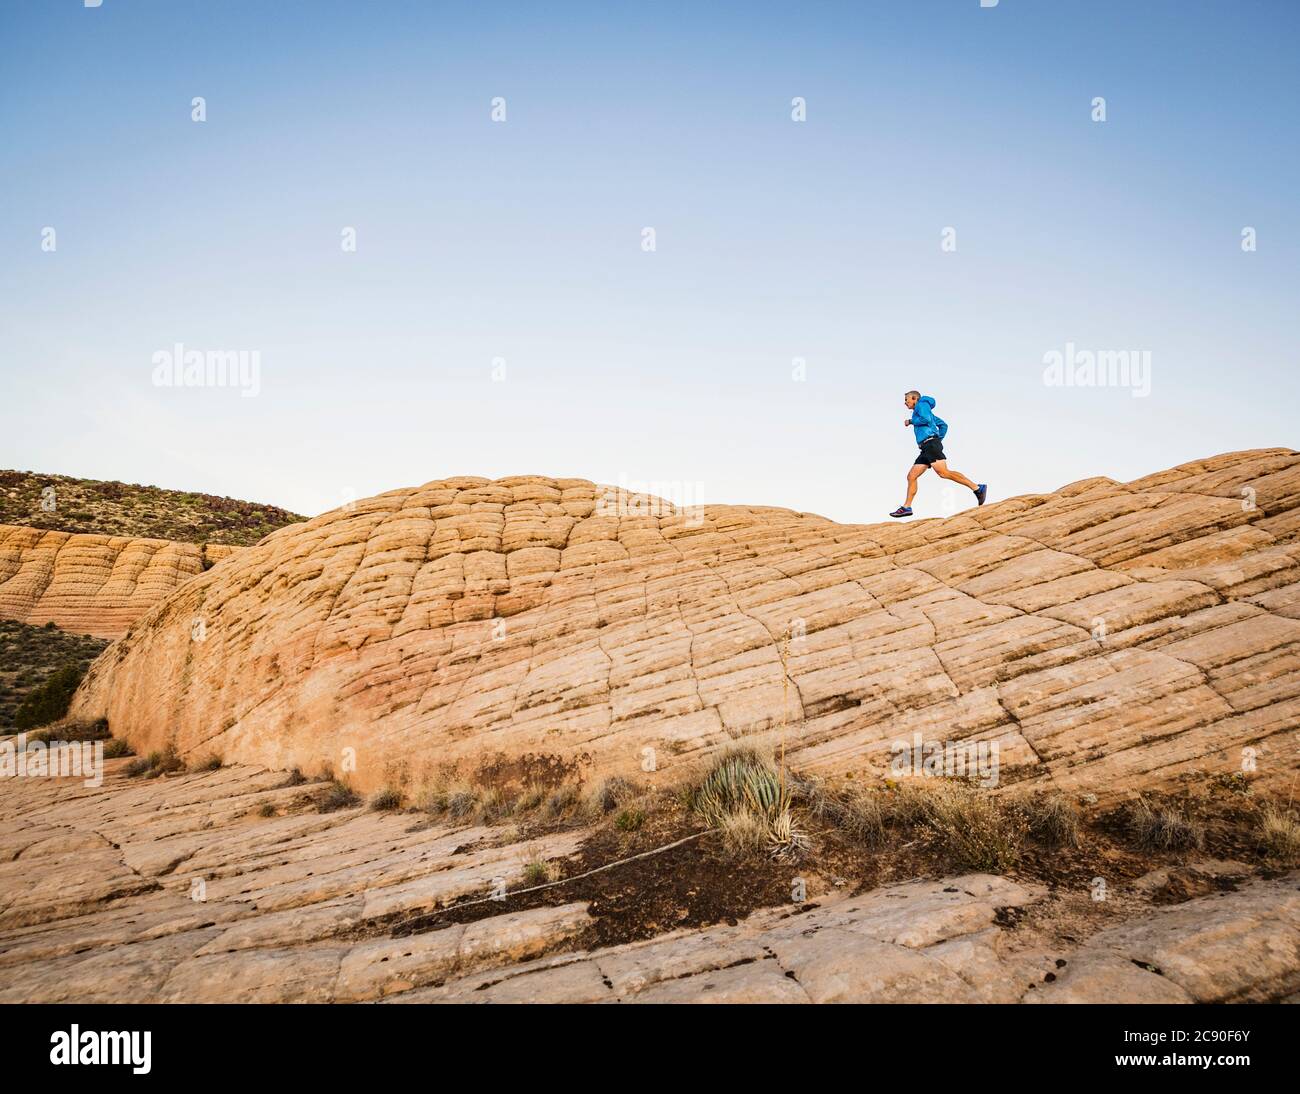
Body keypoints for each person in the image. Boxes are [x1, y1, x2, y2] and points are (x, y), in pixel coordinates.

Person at [890, 391, 987, 518]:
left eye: (907, 399)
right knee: (911, 476)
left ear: (914, 398)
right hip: (926, 447)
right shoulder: (923, 410)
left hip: (930, 445)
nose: (905, 402)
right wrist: (937, 438)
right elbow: (943, 425)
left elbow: (926, 419)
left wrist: (912, 422)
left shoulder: (921, 405)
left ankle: (977, 488)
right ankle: (907, 507)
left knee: (943, 473)